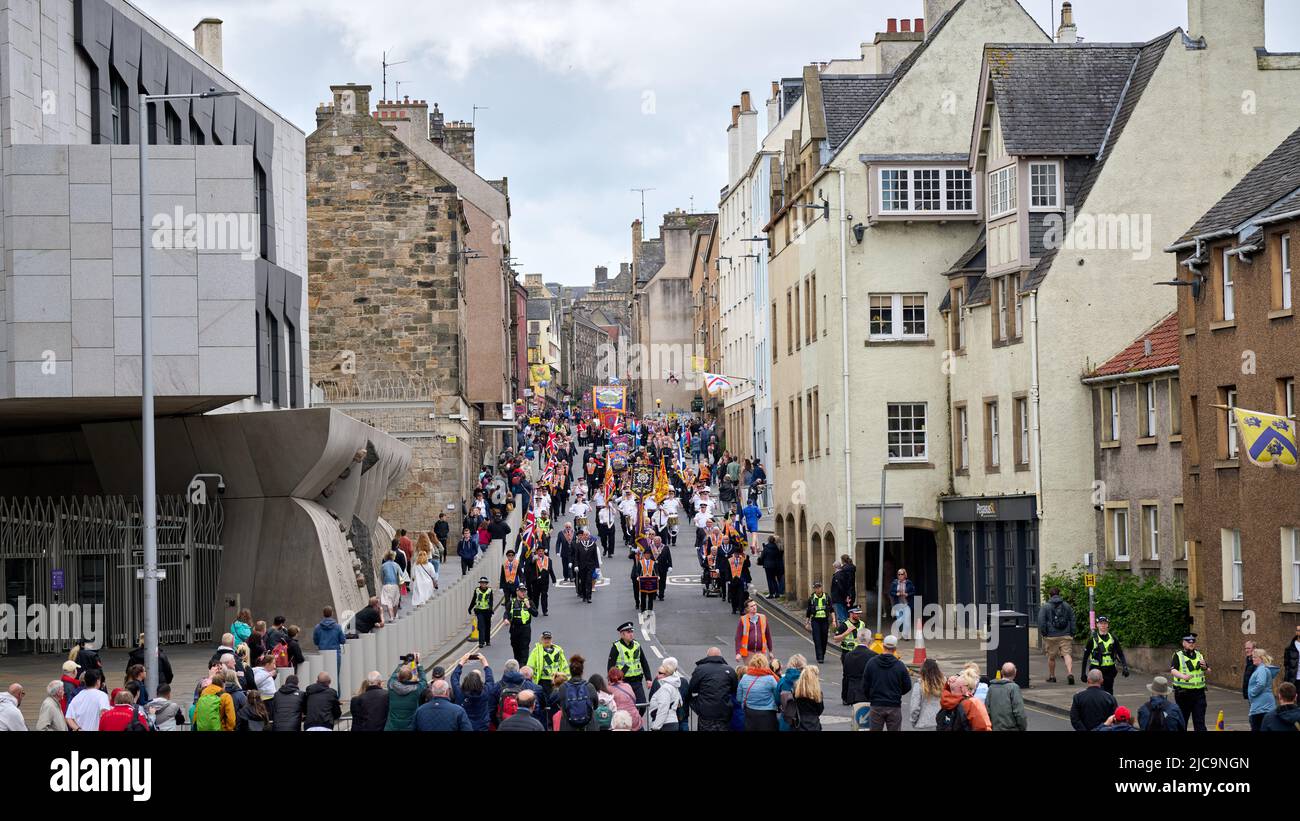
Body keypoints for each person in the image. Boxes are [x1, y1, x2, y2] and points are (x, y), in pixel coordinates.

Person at [861, 635, 911, 731]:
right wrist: (897, 694)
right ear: (895, 648)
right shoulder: (900, 666)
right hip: (894, 705)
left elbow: (865, 684)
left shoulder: (871, 663)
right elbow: (907, 686)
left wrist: (871, 697)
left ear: (883, 646)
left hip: (876, 704)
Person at [689, 647, 738, 731]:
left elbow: (692, 689)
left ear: (707, 656)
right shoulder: (730, 670)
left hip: (706, 713)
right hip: (724, 712)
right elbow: (734, 689)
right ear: (721, 656)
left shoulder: (700, 669)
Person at [1170, 633, 1211, 731]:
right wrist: (1183, 676)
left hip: (1199, 693)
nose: (1191, 643)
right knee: (1182, 722)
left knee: (1200, 722)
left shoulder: (1199, 654)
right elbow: (1173, 670)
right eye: (1188, 642)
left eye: (1193, 642)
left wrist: (1205, 667)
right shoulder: (1178, 655)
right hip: (1183, 694)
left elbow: (1208, 670)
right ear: (1183, 643)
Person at [1038, 587, 1076, 685]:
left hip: (1051, 636)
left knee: (1051, 657)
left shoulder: (1045, 606)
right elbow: (1072, 619)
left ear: (1049, 595)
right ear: (1059, 594)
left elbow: (1041, 621)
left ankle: (1052, 676)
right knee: (1067, 654)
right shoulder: (1067, 606)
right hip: (1066, 634)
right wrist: (1072, 632)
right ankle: (1070, 672)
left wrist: (1044, 633)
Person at [1082, 616, 1129, 695]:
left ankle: (1109, 706)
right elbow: (1085, 657)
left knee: (1109, 691)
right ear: (1097, 625)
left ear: (1108, 625)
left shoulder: (1113, 638)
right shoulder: (1092, 640)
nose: (1103, 625)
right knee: (1098, 691)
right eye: (1101, 623)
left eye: (1105, 623)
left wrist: (1125, 667)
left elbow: (1120, 654)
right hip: (1096, 669)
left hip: (1110, 670)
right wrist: (1083, 673)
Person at [608, 622, 653, 705]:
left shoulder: (637, 645)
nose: (631, 634)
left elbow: (644, 662)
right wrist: (610, 681)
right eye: (628, 632)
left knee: (642, 705)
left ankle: (635, 717)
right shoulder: (616, 647)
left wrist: (648, 679)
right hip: (623, 682)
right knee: (624, 705)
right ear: (622, 634)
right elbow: (610, 666)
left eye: (632, 632)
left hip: (637, 681)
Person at [737, 652, 781, 731]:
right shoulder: (770, 679)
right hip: (767, 714)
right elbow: (778, 696)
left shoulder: (745, 678)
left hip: (750, 713)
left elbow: (739, 698)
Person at [555, 655, 598, 731]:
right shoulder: (590, 687)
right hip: (588, 726)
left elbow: (559, 704)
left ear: (570, 671)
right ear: (582, 671)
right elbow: (595, 706)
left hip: (568, 726)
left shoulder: (563, 688)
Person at [841, 626, 877, 707]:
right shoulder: (874, 656)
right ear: (870, 640)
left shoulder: (848, 655)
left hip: (853, 694)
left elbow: (846, 677)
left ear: (857, 639)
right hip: (869, 694)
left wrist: (844, 696)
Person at [525, 631, 568, 699]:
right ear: (541, 640)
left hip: (556, 680)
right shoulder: (536, 651)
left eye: (549, 638)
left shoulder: (558, 651)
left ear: (551, 639)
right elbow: (530, 666)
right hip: (542, 681)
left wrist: (567, 679)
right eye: (545, 639)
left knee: (555, 699)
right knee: (543, 700)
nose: (547, 640)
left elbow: (564, 666)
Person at [985, 662, 1027, 731]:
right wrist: (1022, 728)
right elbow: (1019, 713)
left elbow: (987, 710)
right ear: (1015, 673)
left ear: (1001, 672)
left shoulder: (991, 688)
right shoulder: (1014, 688)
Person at [1246, 648, 1280, 732]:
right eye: (1252, 657)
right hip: (1264, 705)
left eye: (1254, 657)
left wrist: (1252, 693)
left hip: (1260, 708)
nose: (1252, 659)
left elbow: (1261, 684)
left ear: (1261, 658)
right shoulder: (1263, 668)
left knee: (1256, 727)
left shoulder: (1261, 669)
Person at [647, 658, 684, 731]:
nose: (657, 675)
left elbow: (663, 708)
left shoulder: (665, 688)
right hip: (671, 723)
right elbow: (680, 702)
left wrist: (655, 727)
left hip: (665, 725)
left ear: (667, 675)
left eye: (660, 673)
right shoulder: (673, 685)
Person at [804, 581, 836, 664]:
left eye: (819, 587)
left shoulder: (827, 597)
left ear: (821, 588)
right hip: (815, 621)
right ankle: (820, 657)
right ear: (814, 589)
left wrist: (834, 620)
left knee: (824, 639)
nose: (818, 589)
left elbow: (832, 610)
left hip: (824, 621)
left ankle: (822, 653)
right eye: (816, 588)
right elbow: (808, 611)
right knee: (817, 639)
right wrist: (807, 623)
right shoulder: (811, 598)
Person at [505, 585, 536, 667]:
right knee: (515, 647)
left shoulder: (529, 602)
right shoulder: (511, 602)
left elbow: (535, 613)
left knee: (524, 647)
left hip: (525, 628)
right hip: (514, 628)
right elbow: (506, 613)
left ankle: (523, 665)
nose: (523, 593)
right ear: (517, 591)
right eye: (521, 591)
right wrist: (506, 619)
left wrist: (529, 606)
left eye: (524, 591)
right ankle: (518, 664)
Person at [909, 659, 944, 730]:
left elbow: (915, 707)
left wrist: (913, 721)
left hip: (923, 723)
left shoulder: (919, 685)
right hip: (940, 722)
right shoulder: (943, 684)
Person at [776, 654, 805, 731]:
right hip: (803, 721)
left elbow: (777, 701)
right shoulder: (806, 681)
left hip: (786, 719)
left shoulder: (782, 681)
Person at [527, 546, 557, 616]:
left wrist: (554, 580)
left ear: (544, 552)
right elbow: (529, 567)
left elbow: (551, 570)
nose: (541, 552)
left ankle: (545, 611)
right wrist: (533, 560)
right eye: (539, 551)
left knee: (544, 595)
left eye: (542, 551)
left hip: (545, 582)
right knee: (535, 596)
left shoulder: (548, 560)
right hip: (536, 581)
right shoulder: (534, 559)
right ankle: (535, 609)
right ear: (537, 552)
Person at [574, 526, 600, 603]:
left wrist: (597, 567)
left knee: (589, 581)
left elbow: (595, 556)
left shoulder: (593, 544)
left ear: (589, 536)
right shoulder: (579, 545)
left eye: (587, 535)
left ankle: (589, 597)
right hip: (582, 566)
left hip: (590, 566)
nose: (585, 536)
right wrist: (576, 565)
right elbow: (576, 556)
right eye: (584, 535)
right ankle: (584, 596)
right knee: (583, 581)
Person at [469, 576, 493, 649]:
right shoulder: (477, 590)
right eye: (482, 583)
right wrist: (470, 608)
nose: (483, 584)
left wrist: (491, 609)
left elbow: (491, 601)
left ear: (486, 584)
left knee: (487, 626)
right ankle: (481, 642)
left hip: (487, 611)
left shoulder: (490, 590)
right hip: (479, 611)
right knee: (481, 626)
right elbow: (474, 600)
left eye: (484, 583)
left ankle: (487, 640)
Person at [829, 557, 856, 624]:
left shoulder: (838, 575)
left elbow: (840, 588)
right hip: (844, 598)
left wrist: (845, 597)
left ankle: (844, 632)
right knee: (845, 617)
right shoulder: (844, 573)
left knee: (841, 618)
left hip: (838, 599)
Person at [633, 547, 659, 614]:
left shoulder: (653, 562)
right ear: (644, 555)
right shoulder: (640, 562)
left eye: (648, 554)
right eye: (646, 554)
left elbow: (656, 571)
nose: (647, 555)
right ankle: (643, 610)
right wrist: (638, 577)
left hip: (651, 582)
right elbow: (637, 571)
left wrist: (657, 576)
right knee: (643, 597)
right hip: (643, 582)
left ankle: (650, 610)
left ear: (650, 555)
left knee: (650, 598)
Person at [1285, 625, 1300, 694]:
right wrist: (1287, 680)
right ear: (1296, 632)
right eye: (1298, 630)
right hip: (1294, 679)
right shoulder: (1290, 647)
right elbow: (1286, 665)